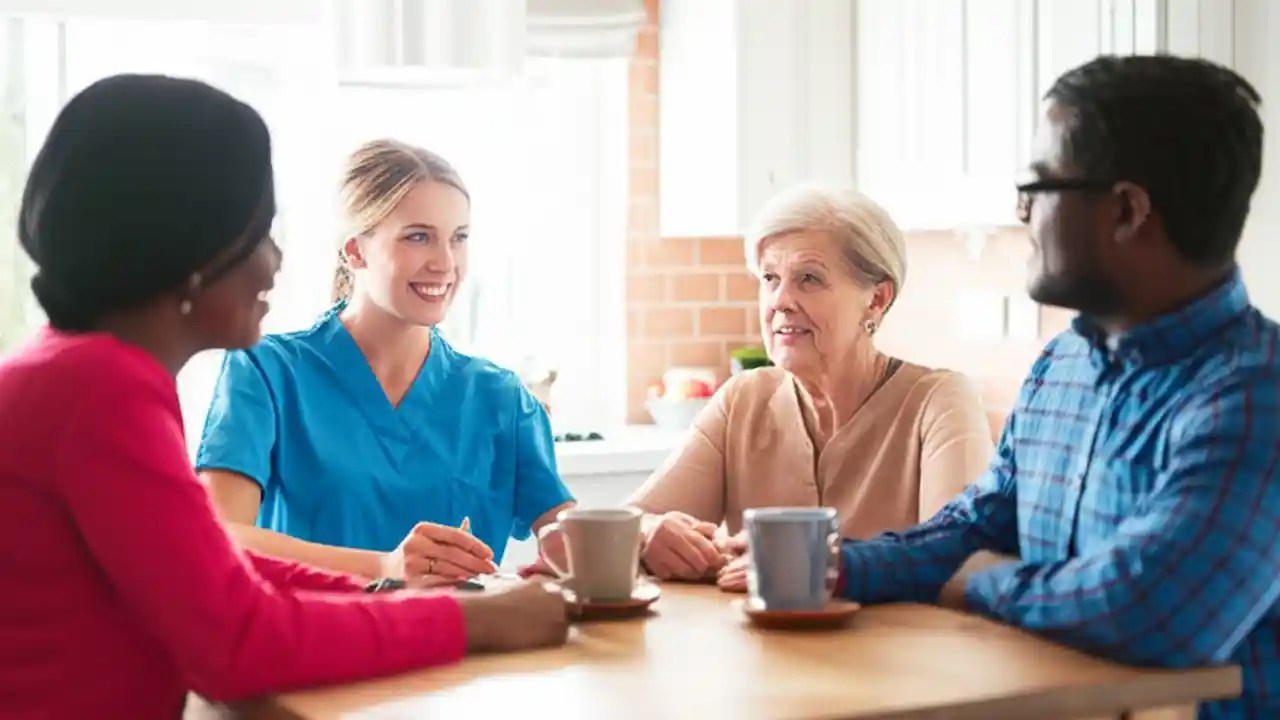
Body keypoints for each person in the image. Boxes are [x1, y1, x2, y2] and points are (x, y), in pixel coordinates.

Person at [0, 74, 568, 720]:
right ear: (186, 248)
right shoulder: (99, 394)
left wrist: (417, 599)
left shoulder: (74, 372)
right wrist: (475, 626)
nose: (274, 264)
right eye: (257, 236)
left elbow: (220, 571)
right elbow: (237, 641)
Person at [832, 56, 1279, 717]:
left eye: (1037, 188)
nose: (1020, 212)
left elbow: (1151, 611)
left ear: (1127, 210)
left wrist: (983, 587)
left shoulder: (1255, 397)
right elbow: (980, 524)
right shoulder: (1061, 366)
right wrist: (835, 565)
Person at [196, 139, 575, 584]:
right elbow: (217, 535)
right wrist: (383, 568)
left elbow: (568, 535)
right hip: (314, 643)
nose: (446, 262)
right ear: (354, 250)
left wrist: (631, 535)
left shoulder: (500, 397)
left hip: (467, 648)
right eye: (419, 237)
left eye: (459, 238)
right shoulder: (267, 372)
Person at [626, 185, 994, 587]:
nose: (780, 301)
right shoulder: (743, 399)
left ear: (876, 300)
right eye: (769, 278)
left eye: (809, 279)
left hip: (891, 648)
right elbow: (633, 518)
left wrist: (813, 563)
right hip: (754, 647)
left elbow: (958, 560)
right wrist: (648, 534)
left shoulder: (939, 402)